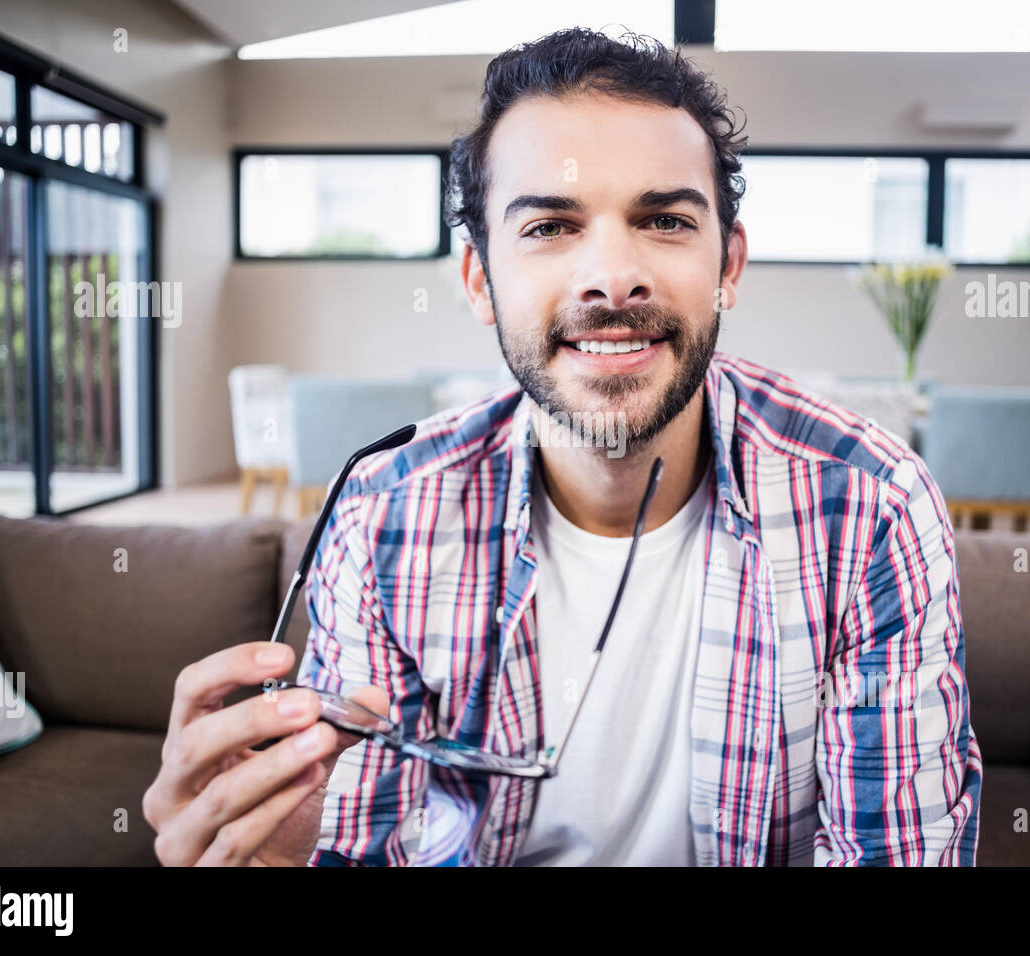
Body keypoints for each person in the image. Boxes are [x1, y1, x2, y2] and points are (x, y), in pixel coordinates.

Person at [144, 26, 982, 867]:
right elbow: (359, 846)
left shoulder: (871, 505)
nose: (613, 278)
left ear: (728, 265)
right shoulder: (384, 517)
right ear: (480, 279)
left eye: (663, 219)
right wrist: (287, 861)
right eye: (550, 226)